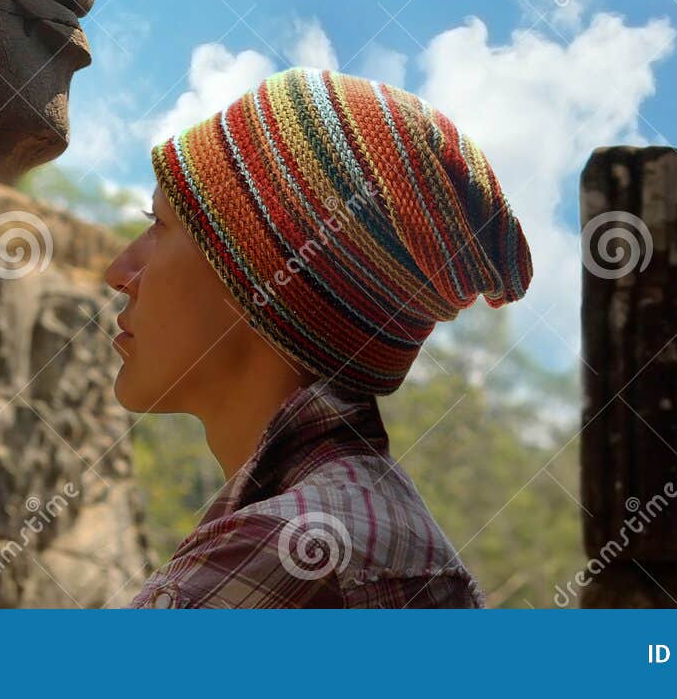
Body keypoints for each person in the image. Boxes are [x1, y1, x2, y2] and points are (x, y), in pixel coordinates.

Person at [105, 68, 532, 608]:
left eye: (160, 224)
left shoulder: (283, 554)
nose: (120, 271)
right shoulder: (363, 522)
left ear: (261, 280)